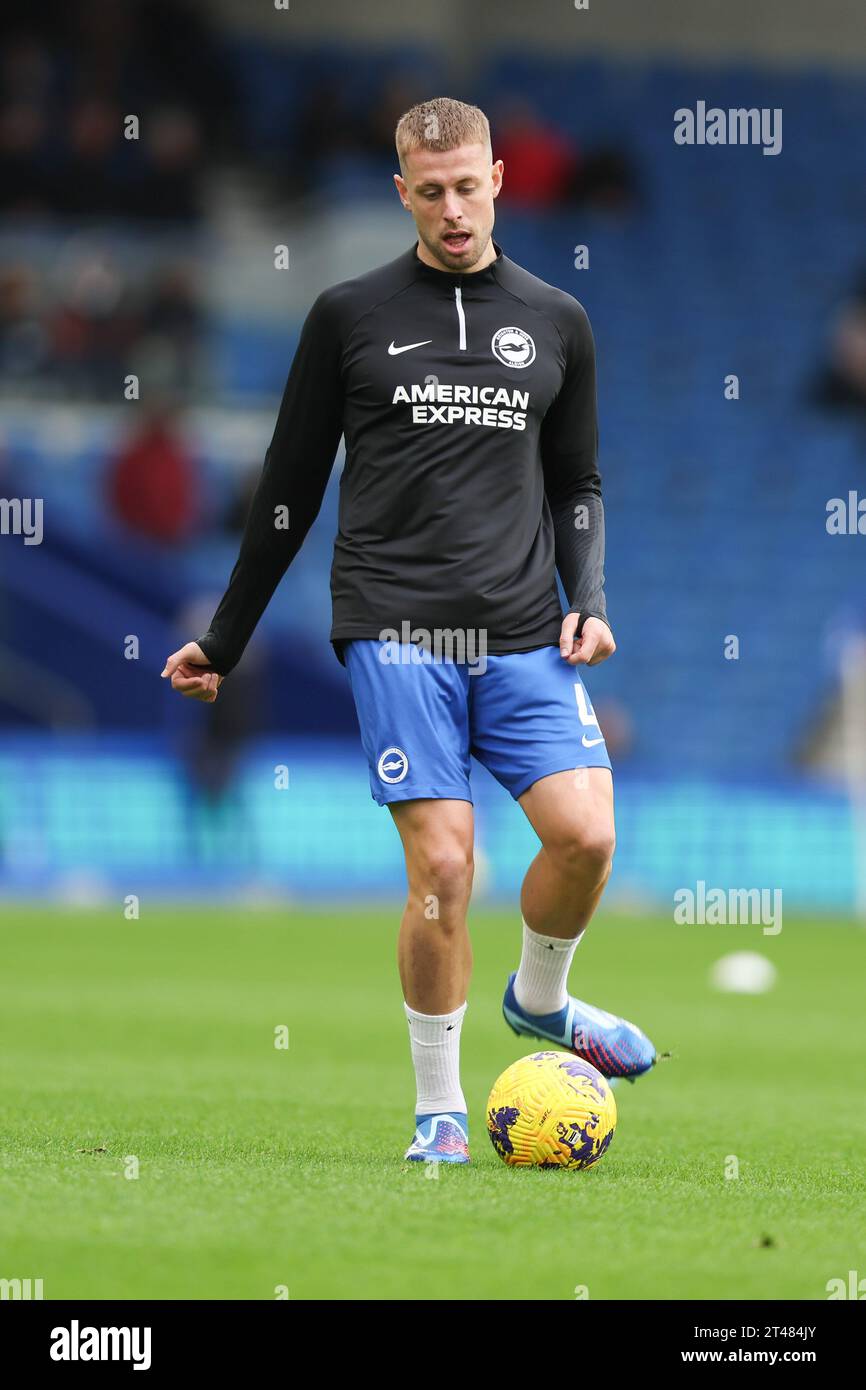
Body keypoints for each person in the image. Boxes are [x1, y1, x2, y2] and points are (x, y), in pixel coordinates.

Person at [161, 96, 656, 1165]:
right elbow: (287, 491)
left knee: (586, 836)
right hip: (395, 630)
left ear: (496, 181)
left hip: (524, 630)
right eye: (428, 192)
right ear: (402, 193)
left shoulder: (556, 319)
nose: (451, 209)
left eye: (466, 186)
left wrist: (590, 598)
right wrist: (227, 635)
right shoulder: (347, 315)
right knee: (443, 865)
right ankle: (437, 1110)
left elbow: (575, 482)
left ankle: (539, 999)